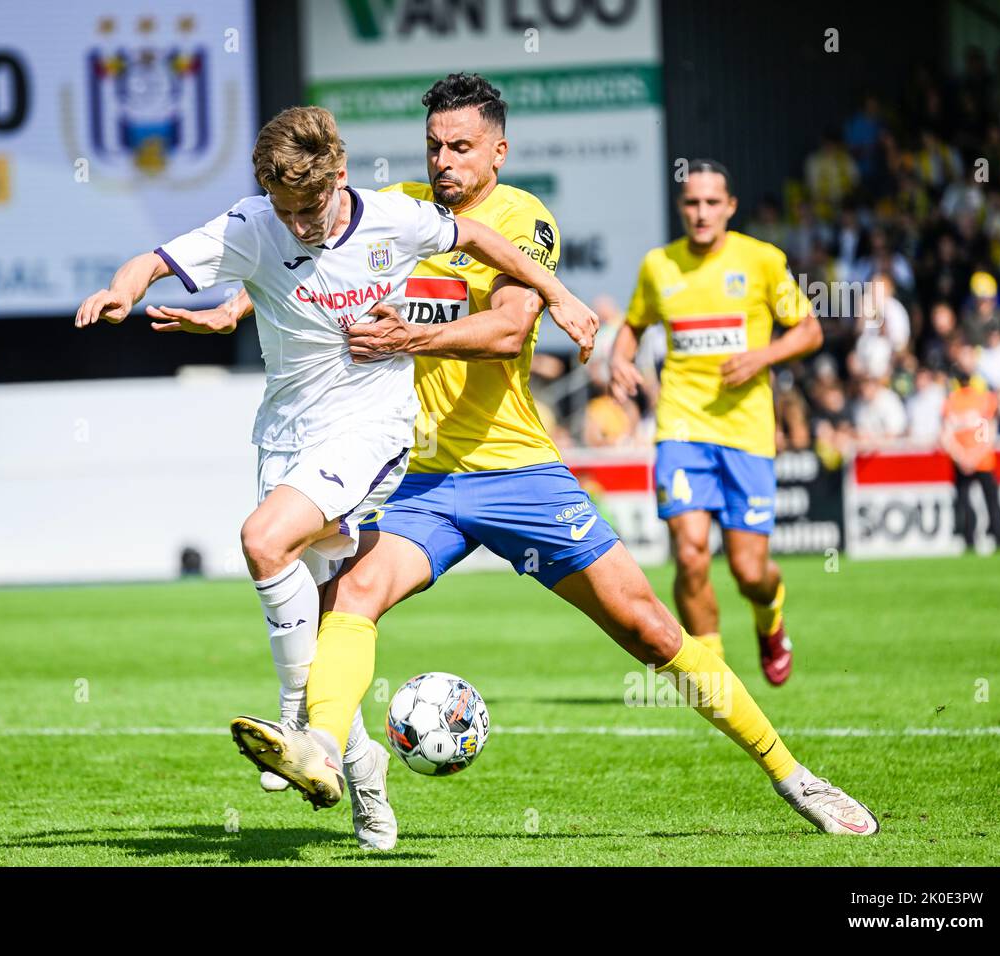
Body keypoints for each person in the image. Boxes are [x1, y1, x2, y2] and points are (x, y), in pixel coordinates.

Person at [204, 82, 876, 841]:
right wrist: (238, 303)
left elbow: (504, 328)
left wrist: (410, 338)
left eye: (461, 147)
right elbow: (315, 264)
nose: (444, 160)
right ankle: (321, 750)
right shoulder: (396, 207)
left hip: (517, 473)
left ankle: (795, 776)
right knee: (349, 601)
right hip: (419, 479)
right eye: (434, 145)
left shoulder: (523, 220)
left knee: (650, 629)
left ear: (499, 150)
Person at [75, 104, 597, 850]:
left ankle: (296, 723)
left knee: (262, 541)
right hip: (286, 438)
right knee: (321, 623)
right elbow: (153, 261)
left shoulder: (393, 219)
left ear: (340, 176)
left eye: (311, 208)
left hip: (374, 431)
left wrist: (562, 294)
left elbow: (481, 237)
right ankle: (365, 778)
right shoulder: (255, 223)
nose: (300, 225)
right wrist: (126, 292)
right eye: (286, 211)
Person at [611, 159, 824, 686]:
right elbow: (633, 325)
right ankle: (714, 674)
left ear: (729, 206)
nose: (701, 212)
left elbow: (810, 330)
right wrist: (620, 357)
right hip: (681, 427)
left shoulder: (762, 261)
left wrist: (763, 357)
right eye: (691, 203)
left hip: (746, 432)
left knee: (750, 571)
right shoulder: (659, 265)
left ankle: (769, 617)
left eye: (711, 203)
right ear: (681, 208)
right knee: (690, 554)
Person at [941, 347, 1000, 552]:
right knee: (980, 501)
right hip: (975, 458)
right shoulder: (974, 399)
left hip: (971, 459)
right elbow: (987, 431)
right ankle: (989, 538)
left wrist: (965, 456)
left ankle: (983, 538)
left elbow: (949, 434)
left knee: (977, 501)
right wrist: (968, 456)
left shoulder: (962, 400)